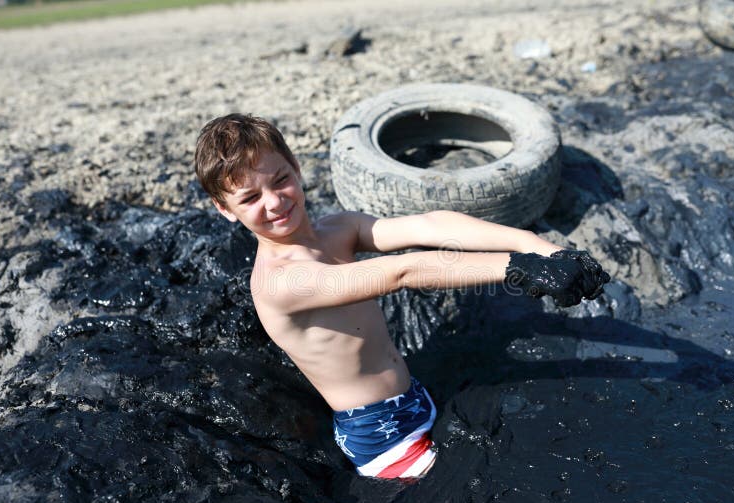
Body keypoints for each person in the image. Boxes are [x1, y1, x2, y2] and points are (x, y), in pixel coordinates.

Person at [194, 113, 610, 480]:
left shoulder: (337, 228)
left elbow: (428, 225)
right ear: (225, 209)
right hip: (381, 437)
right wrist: (517, 267)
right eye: (250, 198)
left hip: (414, 397)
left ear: (296, 167)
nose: (274, 201)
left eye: (280, 179)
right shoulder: (281, 282)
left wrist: (538, 246)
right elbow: (403, 271)